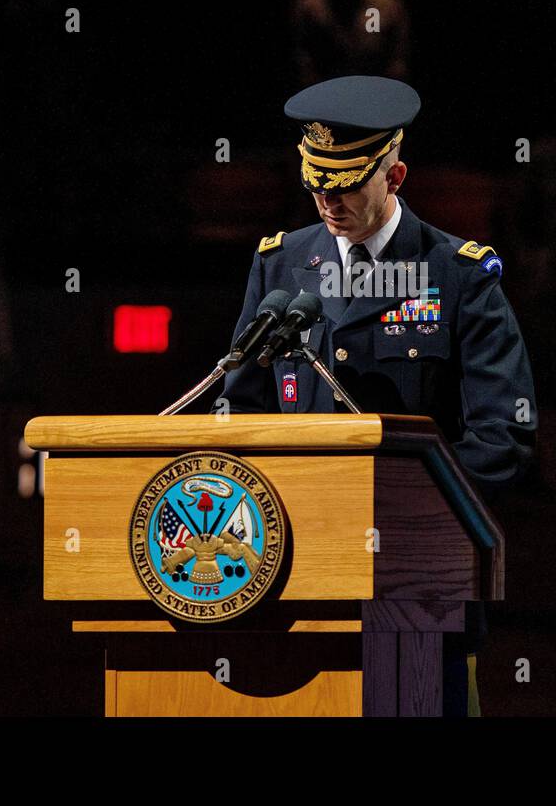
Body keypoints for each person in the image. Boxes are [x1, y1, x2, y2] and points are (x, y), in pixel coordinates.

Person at [220, 75, 537, 716]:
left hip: (418, 591)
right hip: (293, 586)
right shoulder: (279, 265)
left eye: (345, 185)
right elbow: (241, 413)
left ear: (394, 177)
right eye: (316, 183)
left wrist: (398, 509)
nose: (327, 201)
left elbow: (504, 437)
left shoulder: (459, 276)